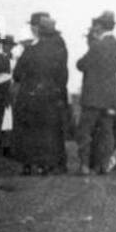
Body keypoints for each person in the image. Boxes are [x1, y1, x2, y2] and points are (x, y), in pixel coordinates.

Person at [12, 13, 69, 174]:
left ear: (38, 30)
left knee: (28, 130)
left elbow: (16, 75)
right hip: (50, 94)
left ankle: (28, 164)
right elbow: (63, 74)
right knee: (47, 130)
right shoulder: (59, 47)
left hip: (29, 94)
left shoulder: (30, 50)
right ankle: (46, 164)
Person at [75, 10, 116, 174]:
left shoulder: (97, 46)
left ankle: (84, 165)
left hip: (92, 96)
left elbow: (81, 65)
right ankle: (103, 165)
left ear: (100, 26)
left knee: (85, 131)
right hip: (110, 96)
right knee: (106, 132)